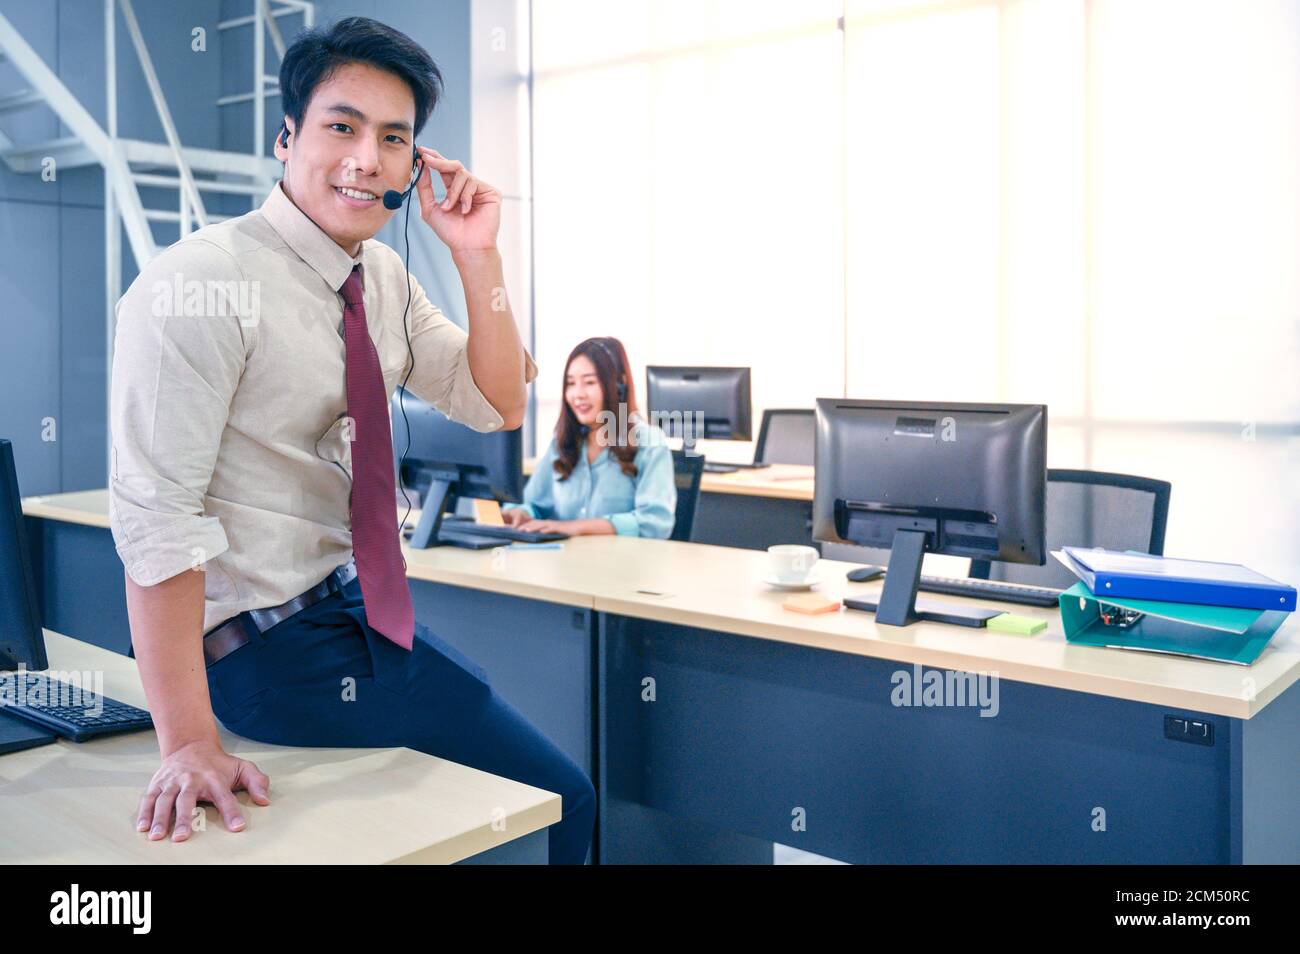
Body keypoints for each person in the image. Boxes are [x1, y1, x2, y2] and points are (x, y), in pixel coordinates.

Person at [109, 16, 595, 863]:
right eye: (342, 126)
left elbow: (500, 402)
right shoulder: (201, 282)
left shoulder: (383, 278)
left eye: (394, 139)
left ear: (414, 167)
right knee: (561, 799)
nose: (367, 158)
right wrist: (185, 742)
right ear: (286, 135)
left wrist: (478, 256)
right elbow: (157, 518)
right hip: (267, 649)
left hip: (353, 615)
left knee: (534, 784)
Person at [502, 337, 676, 539]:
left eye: (589, 382)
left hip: (623, 567)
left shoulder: (649, 442)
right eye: (571, 383)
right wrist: (521, 513)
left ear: (620, 383)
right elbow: (534, 504)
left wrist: (577, 527)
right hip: (565, 565)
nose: (578, 394)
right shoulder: (563, 442)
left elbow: (655, 522)